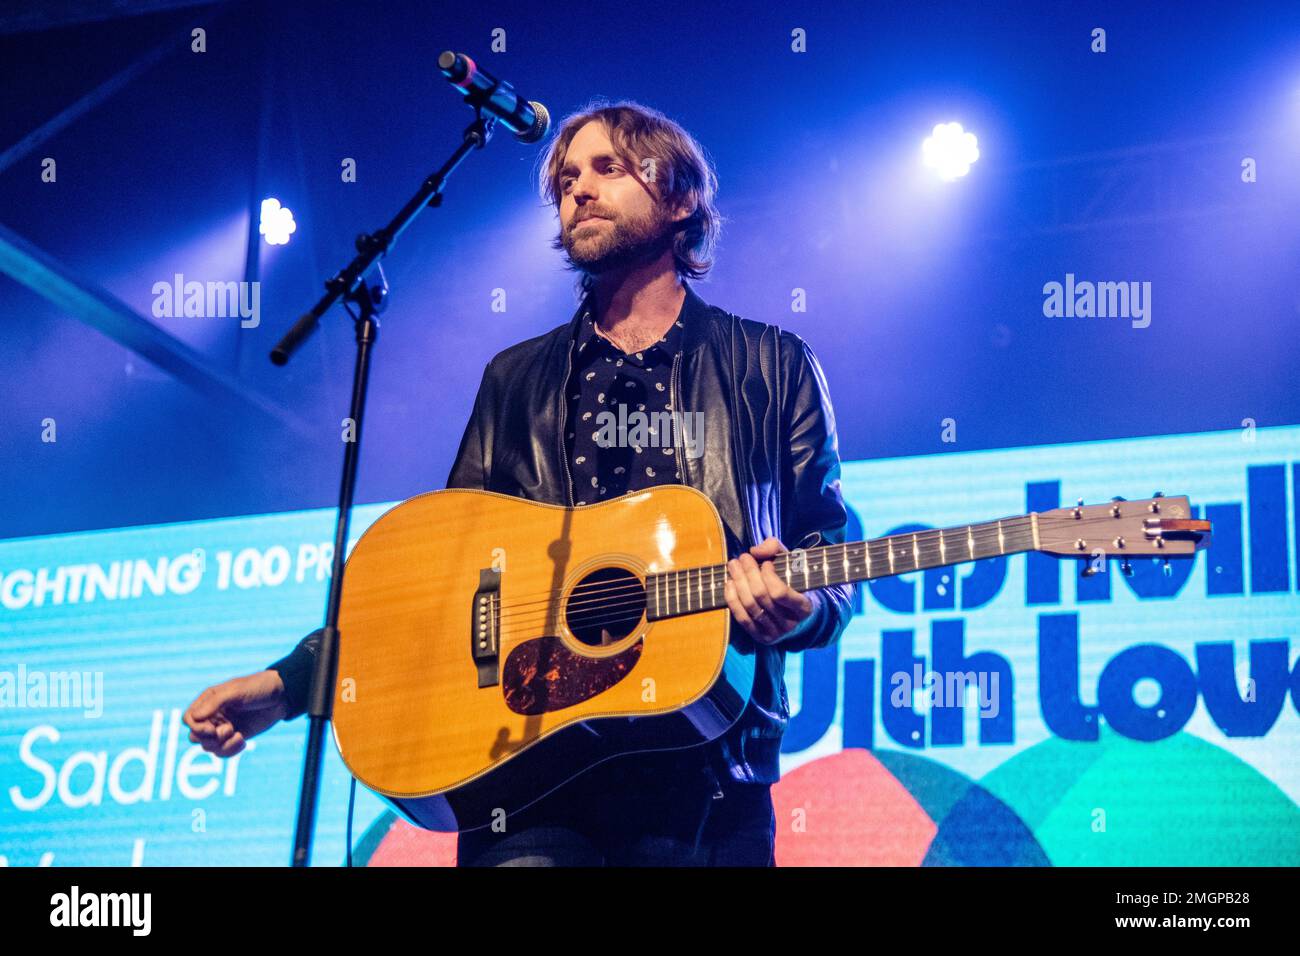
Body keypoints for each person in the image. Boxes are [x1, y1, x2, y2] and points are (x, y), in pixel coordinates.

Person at [183, 100, 854, 866]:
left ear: (680, 198)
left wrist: (796, 611)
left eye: (609, 168)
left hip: (705, 781)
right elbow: (428, 581)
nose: (580, 190)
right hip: (524, 781)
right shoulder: (516, 378)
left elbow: (827, 553)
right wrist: (290, 683)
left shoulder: (770, 365)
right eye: (567, 177)